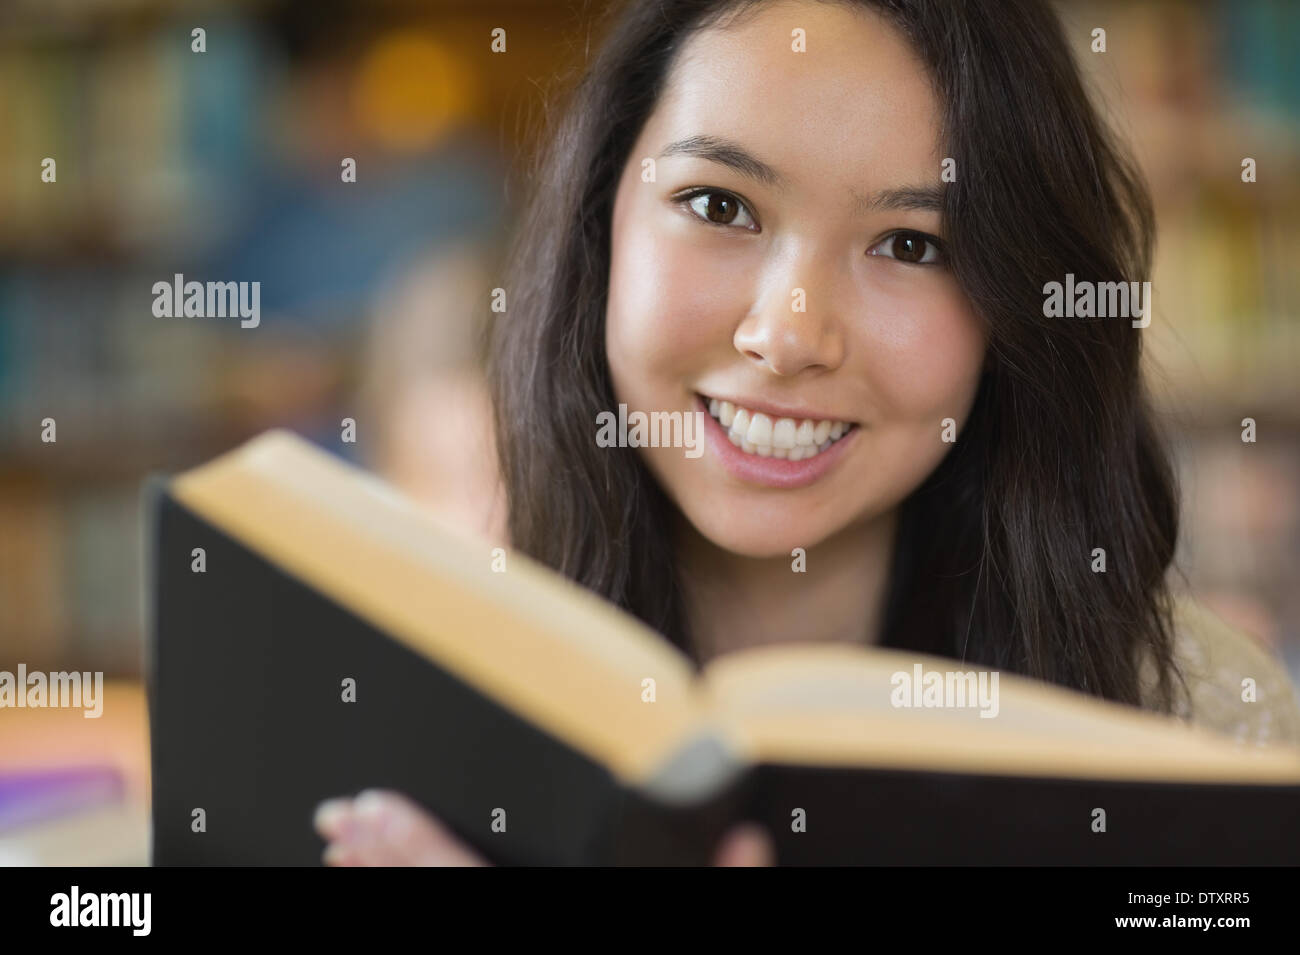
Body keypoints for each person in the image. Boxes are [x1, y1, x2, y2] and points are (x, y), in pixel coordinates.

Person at [314, 0, 1300, 866]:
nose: (787, 336)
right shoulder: (384, 717)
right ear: (599, 220)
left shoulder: (1200, 726)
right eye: (718, 204)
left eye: (911, 245)